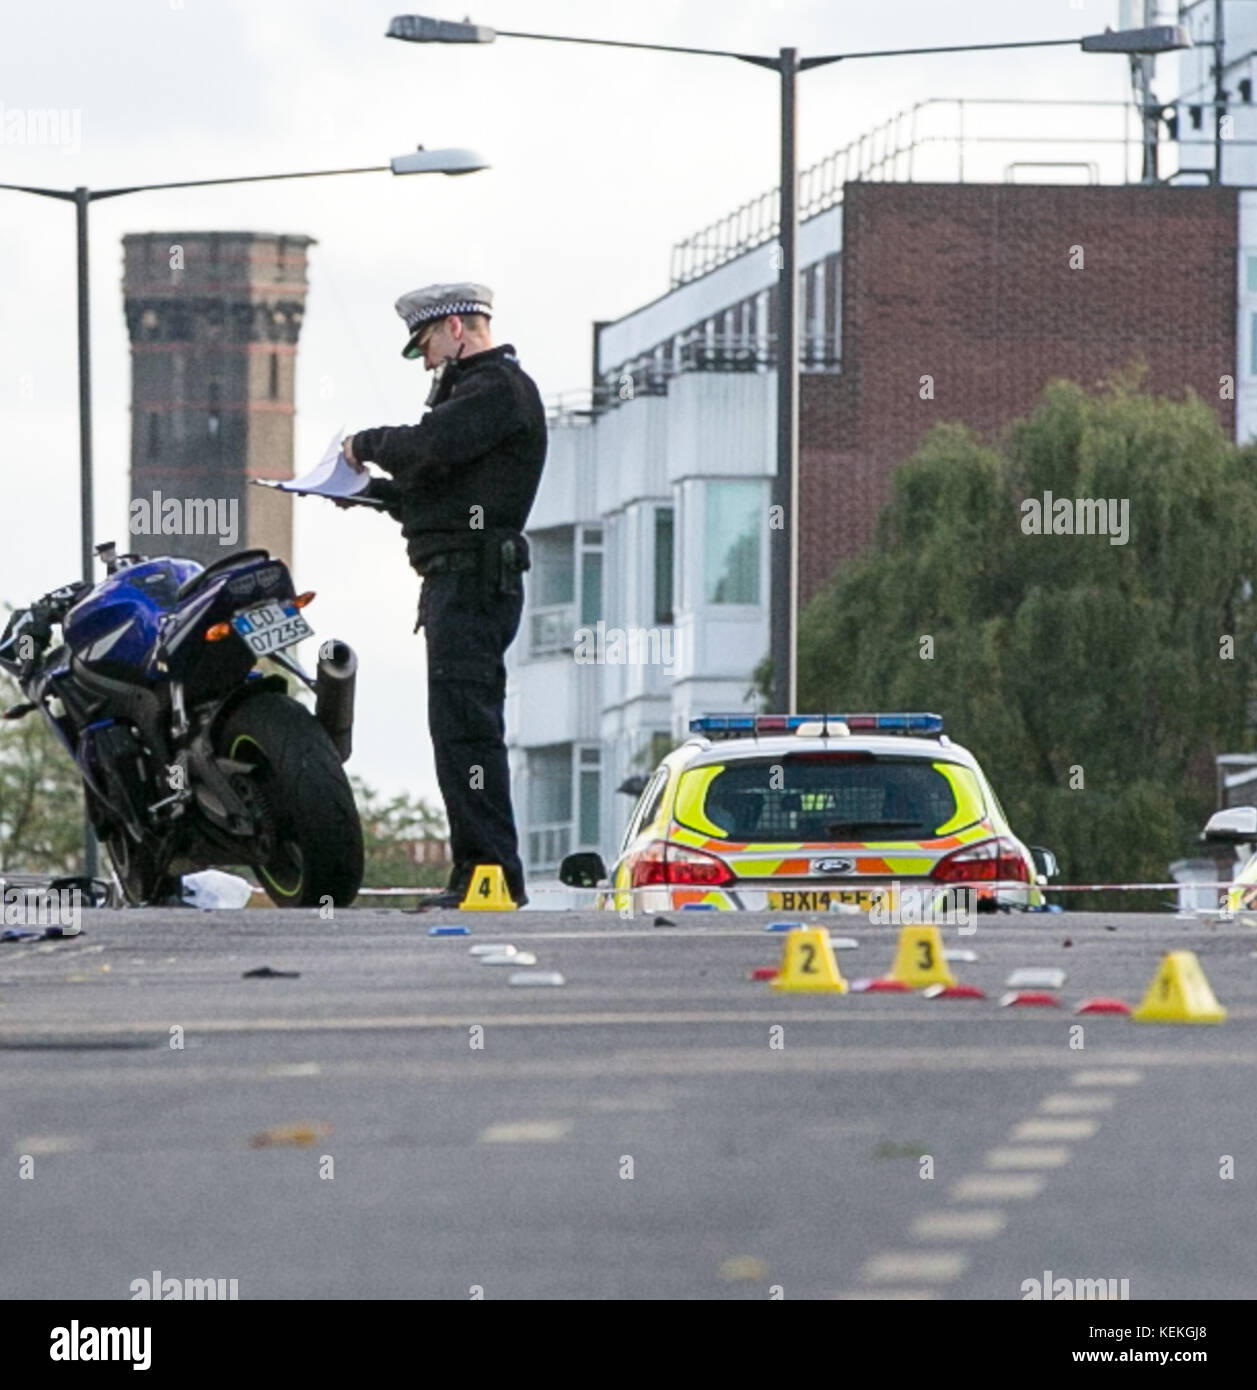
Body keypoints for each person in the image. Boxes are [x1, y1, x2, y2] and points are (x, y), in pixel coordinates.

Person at [339, 283, 546, 908]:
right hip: (456, 578)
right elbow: (432, 493)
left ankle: (489, 875)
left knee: (467, 730)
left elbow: (428, 446)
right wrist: (367, 492)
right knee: (458, 729)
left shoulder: (495, 390)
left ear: (455, 328)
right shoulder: (474, 400)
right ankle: (481, 871)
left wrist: (362, 444)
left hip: (472, 580)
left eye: (427, 344)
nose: (427, 361)